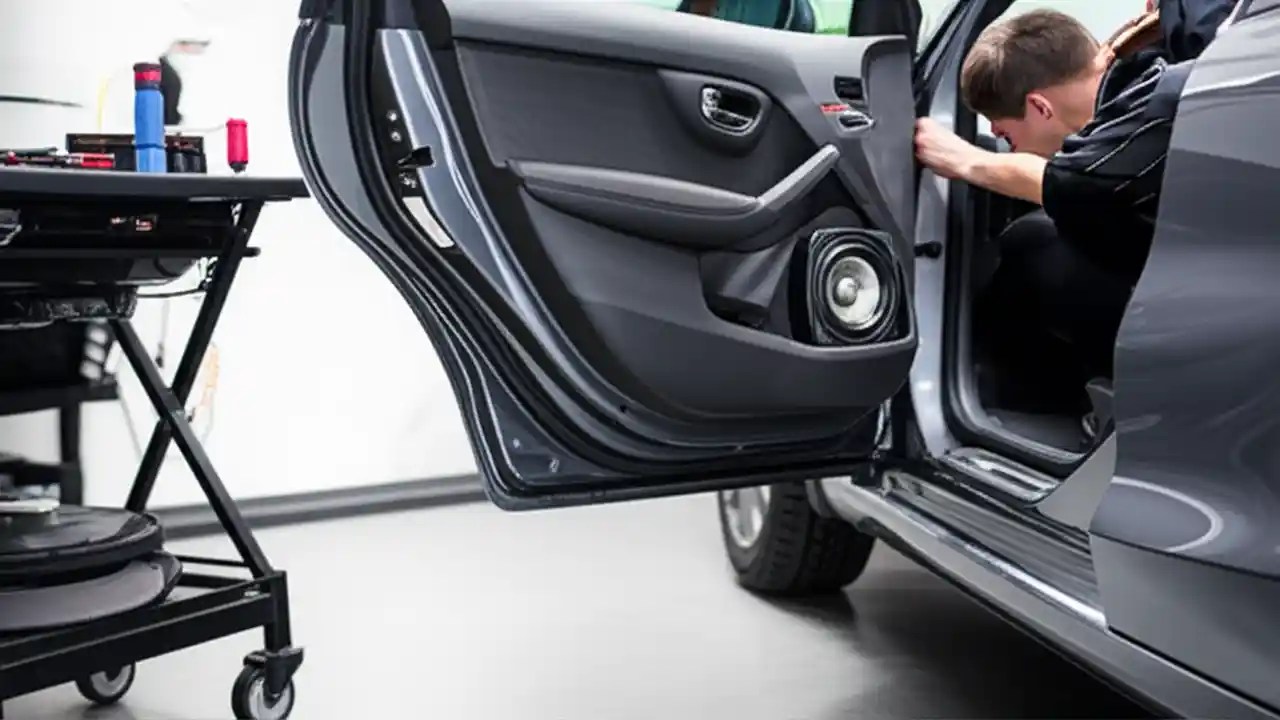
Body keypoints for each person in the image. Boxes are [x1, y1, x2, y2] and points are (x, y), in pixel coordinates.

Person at [914, 1, 1235, 386]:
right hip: (1220, 275)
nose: (1011, 149)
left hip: (1209, 314)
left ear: (1040, 107)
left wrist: (961, 158)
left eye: (1007, 137)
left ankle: (1015, 395)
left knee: (1029, 242)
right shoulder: (1164, 66)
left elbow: (1063, 181)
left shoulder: (1139, 126)